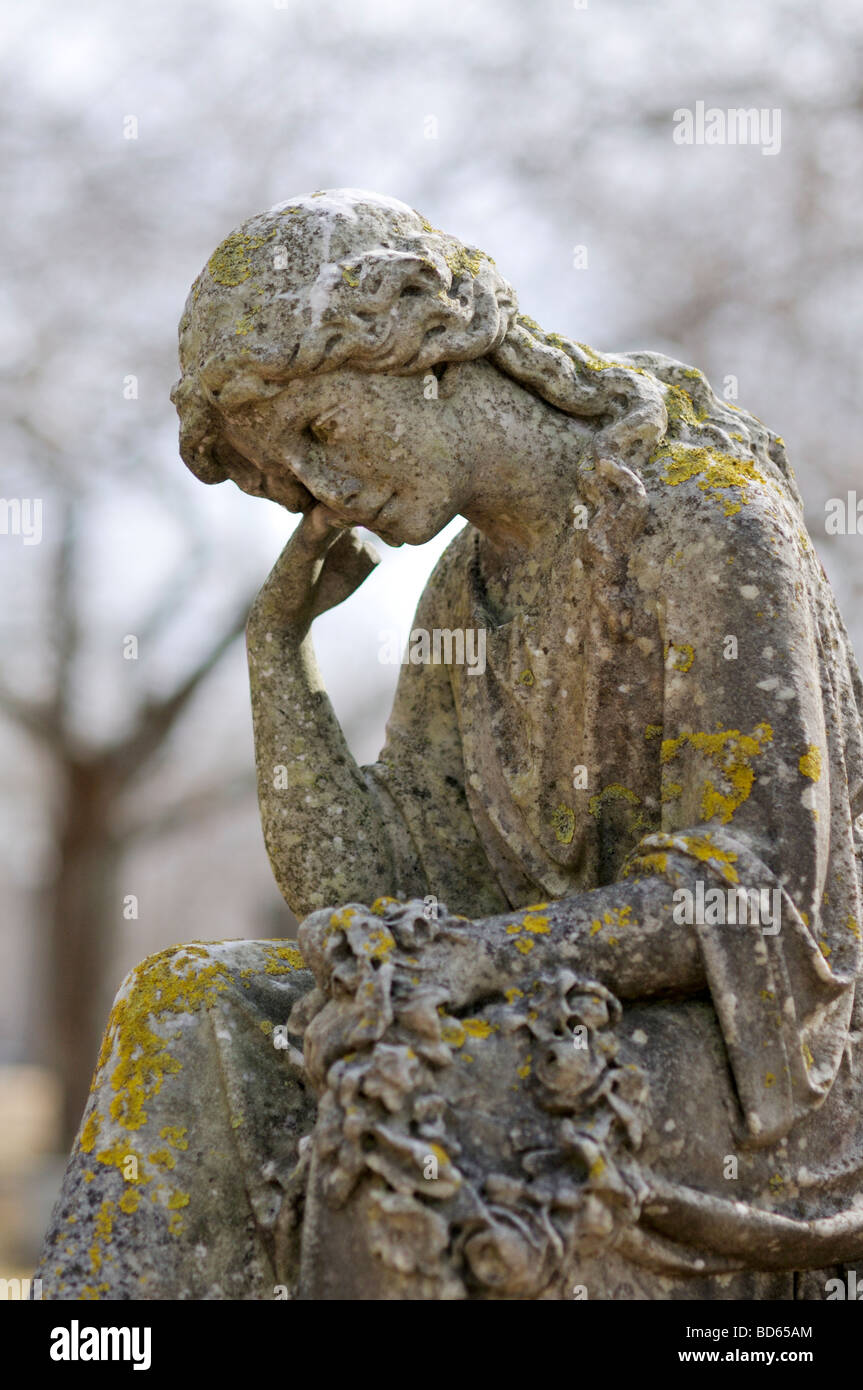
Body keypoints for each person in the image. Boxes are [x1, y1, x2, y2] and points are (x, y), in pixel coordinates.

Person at [36, 190, 863, 1299]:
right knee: (184, 1008)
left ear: (428, 345)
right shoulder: (460, 597)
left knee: (409, 1107)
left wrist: (494, 957)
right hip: (550, 1009)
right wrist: (279, 657)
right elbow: (374, 896)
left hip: (749, 1073)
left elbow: (754, 895)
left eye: (321, 433)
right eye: (287, 477)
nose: (324, 494)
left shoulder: (704, 519)